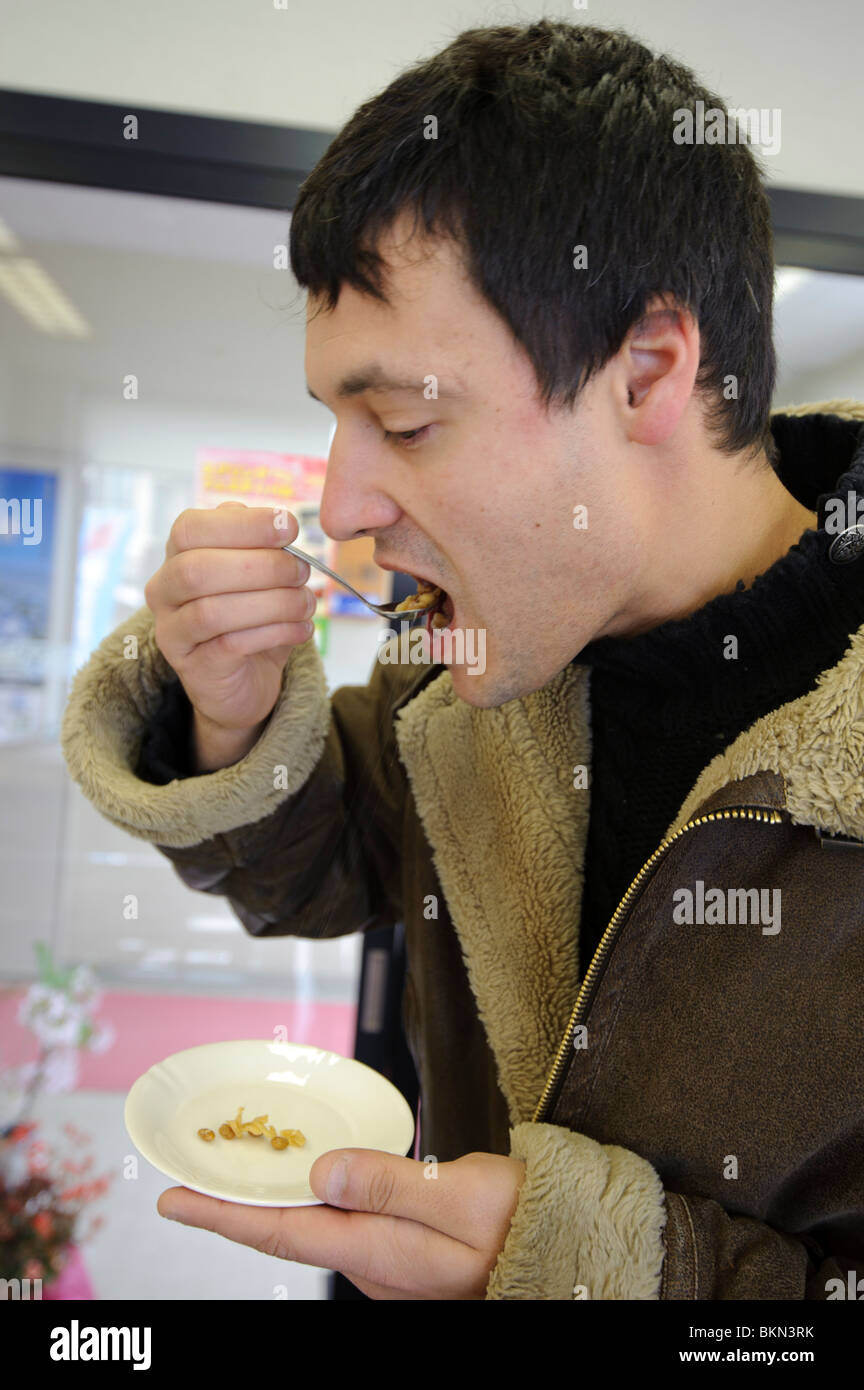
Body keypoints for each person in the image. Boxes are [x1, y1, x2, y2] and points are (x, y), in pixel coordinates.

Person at [60, 19, 864, 1299]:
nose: (339, 506)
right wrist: (228, 711)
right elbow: (318, 870)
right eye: (338, 422)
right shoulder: (471, 664)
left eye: (406, 422)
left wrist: (589, 1270)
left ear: (648, 370)